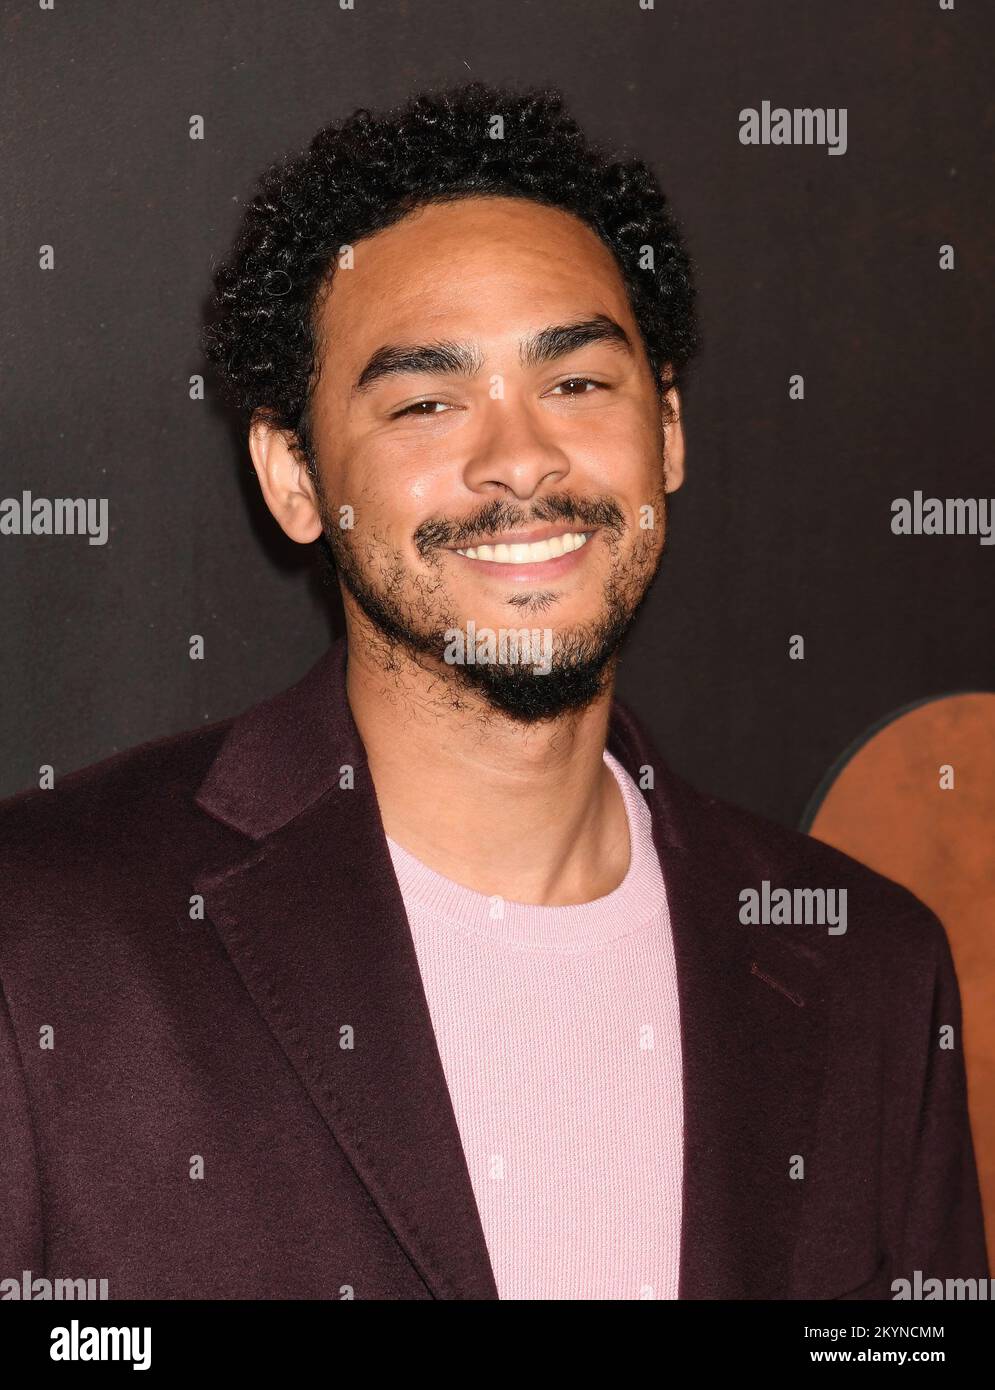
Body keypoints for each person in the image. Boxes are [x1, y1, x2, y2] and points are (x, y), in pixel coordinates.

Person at [0, 82, 987, 1301]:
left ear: (666, 431)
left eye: (576, 383)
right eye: (425, 401)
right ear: (294, 476)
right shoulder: (41, 938)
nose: (519, 457)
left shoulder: (866, 969)